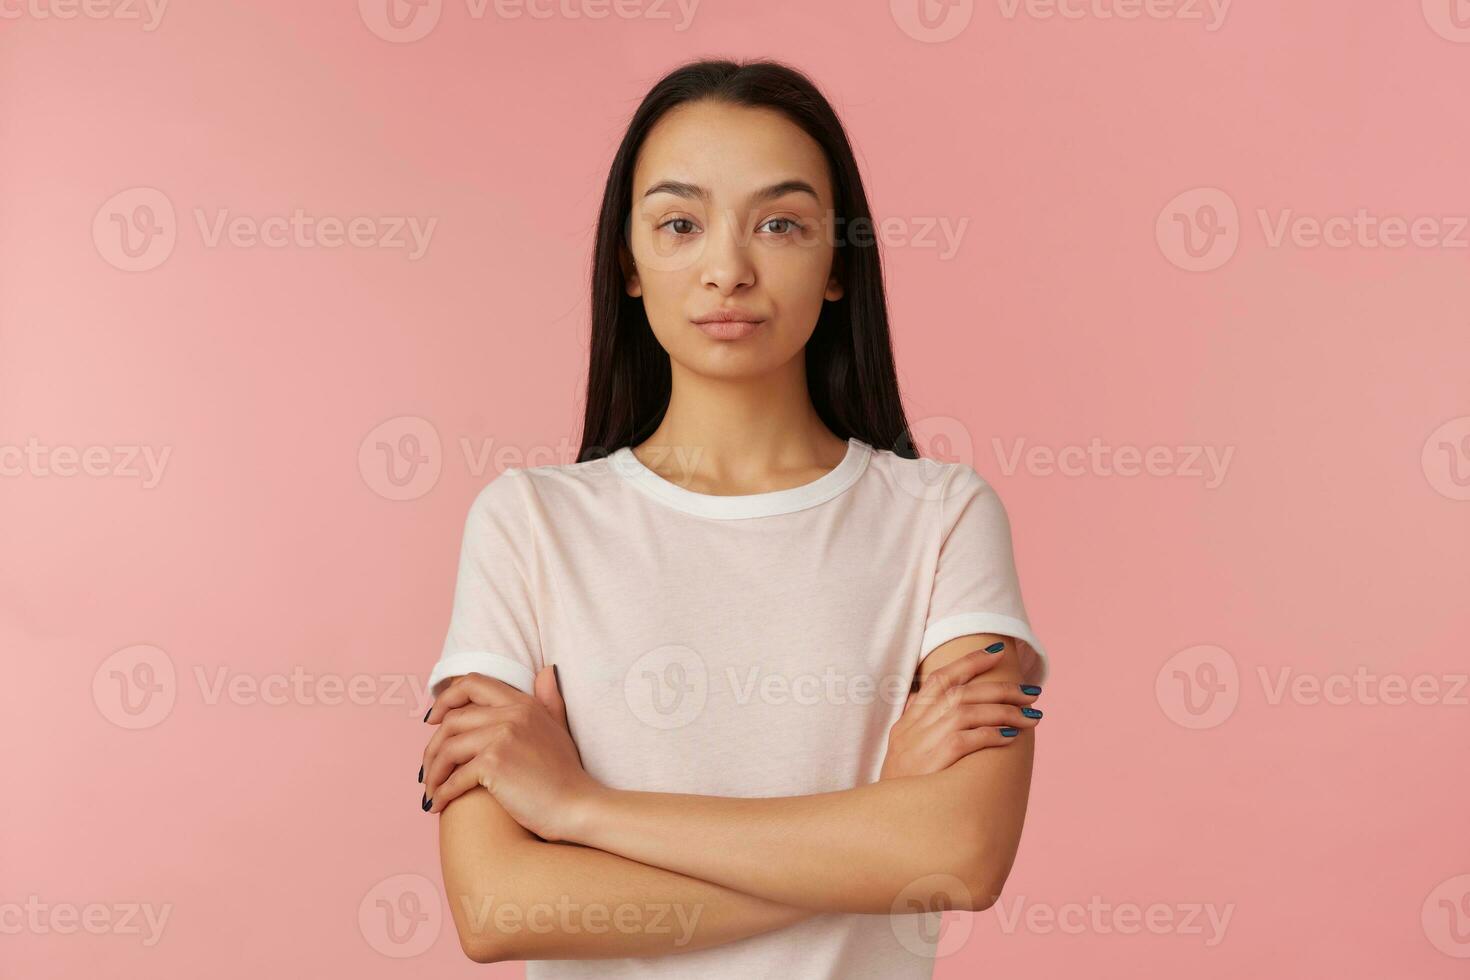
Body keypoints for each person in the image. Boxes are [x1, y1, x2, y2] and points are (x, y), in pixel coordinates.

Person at [417, 57, 1049, 979]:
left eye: (782, 224)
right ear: (628, 265)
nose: (728, 269)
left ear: (839, 265)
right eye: (680, 224)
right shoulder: (527, 525)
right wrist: (874, 833)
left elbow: (960, 854)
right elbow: (498, 907)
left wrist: (577, 811)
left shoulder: (942, 518)